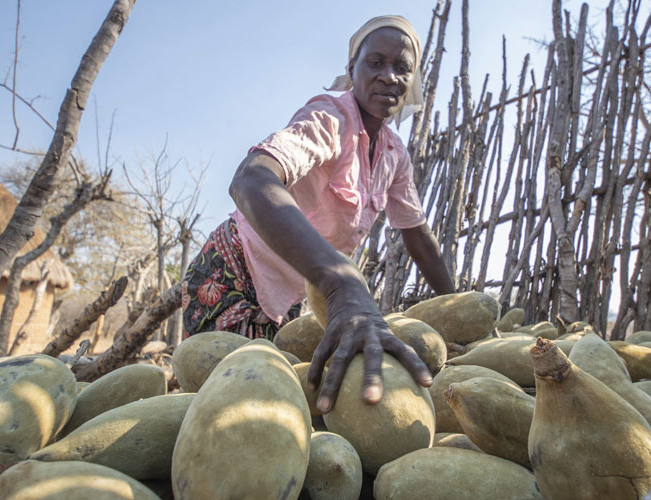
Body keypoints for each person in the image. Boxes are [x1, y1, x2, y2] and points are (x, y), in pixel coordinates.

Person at [181, 15, 456, 414]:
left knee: (276, 405)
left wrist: (457, 308)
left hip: (289, 297)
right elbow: (251, 180)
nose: (389, 76)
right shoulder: (330, 118)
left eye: (402, 68)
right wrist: (341, 282)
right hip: (232, 274)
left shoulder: (395, 155)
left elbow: (417, 235)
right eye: (375, 63)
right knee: (220, 408)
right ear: (351, 69)